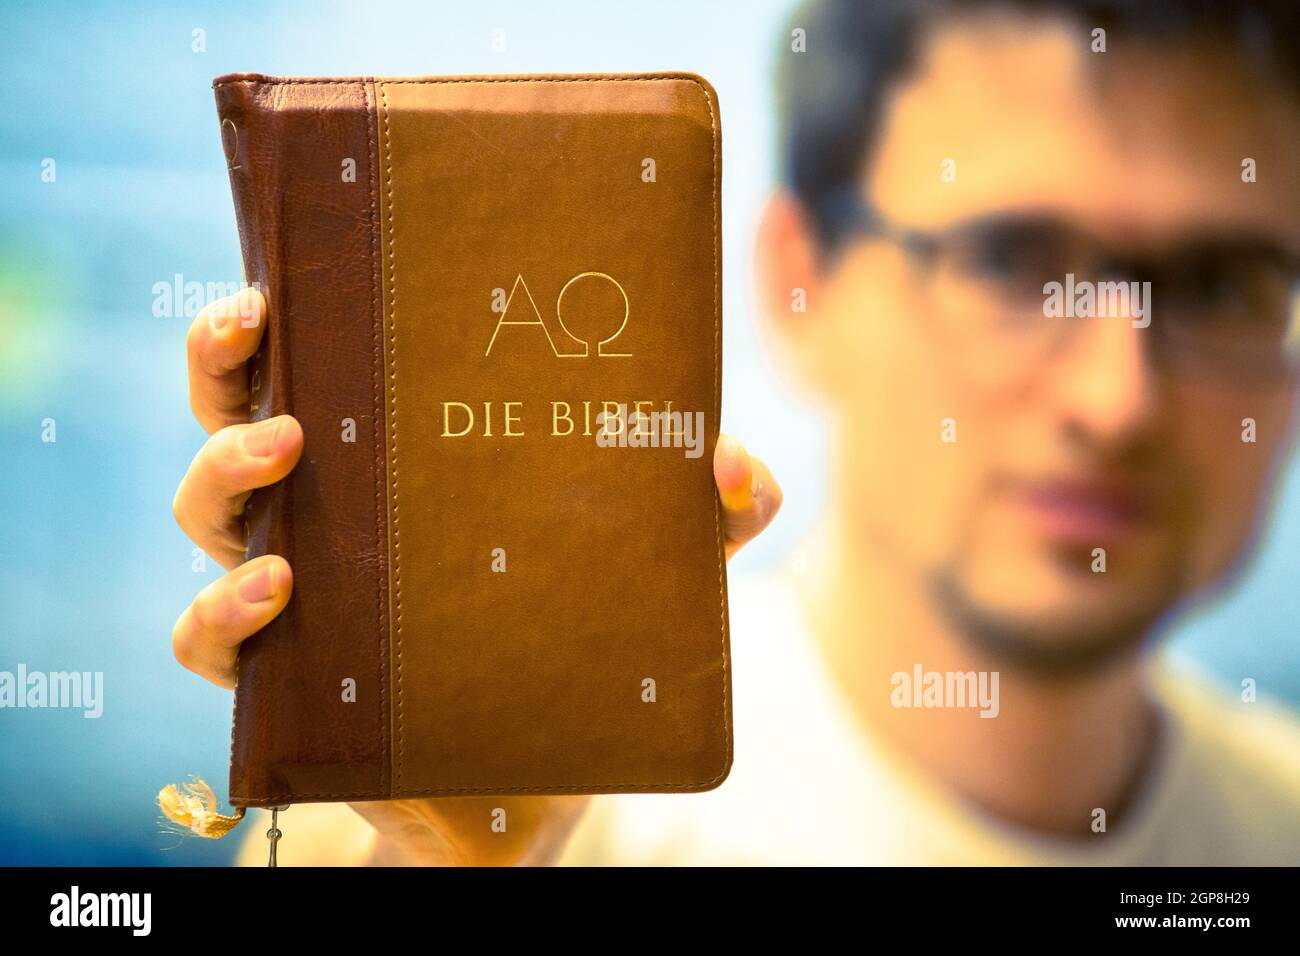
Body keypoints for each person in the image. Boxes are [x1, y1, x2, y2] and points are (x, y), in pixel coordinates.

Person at [174, 0, 1300, 865]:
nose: (1117, 399)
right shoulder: (480, 806)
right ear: (796, 283)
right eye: (1008, 262)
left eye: (1223, 285)